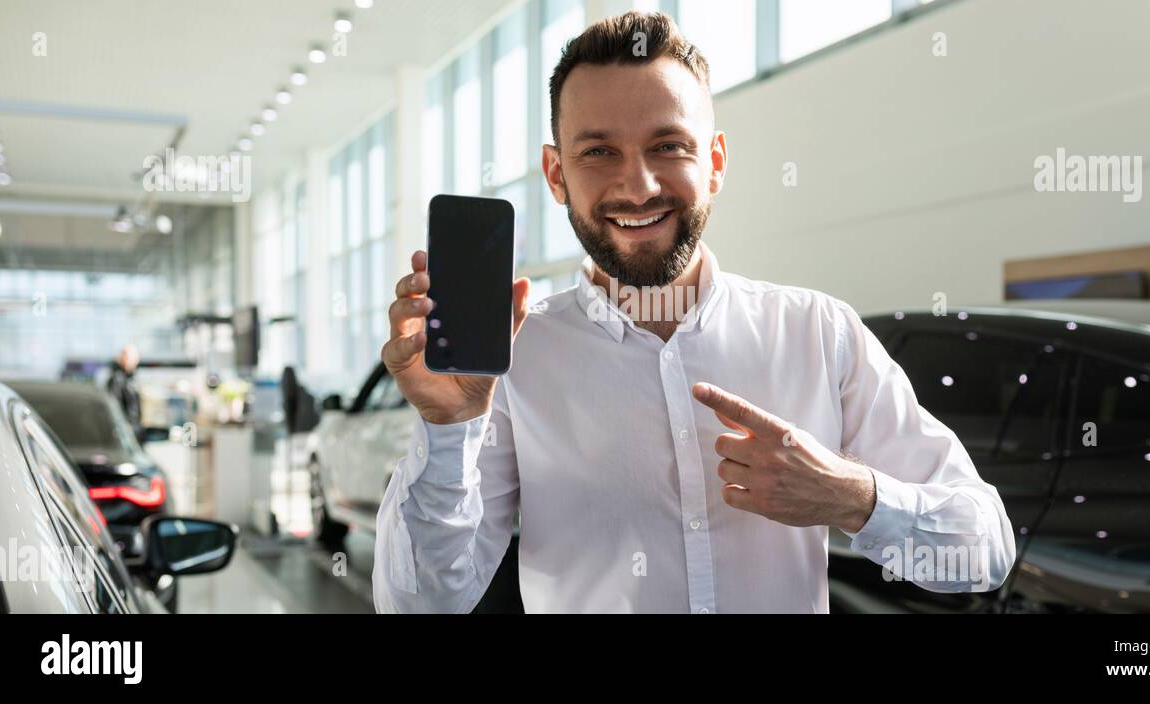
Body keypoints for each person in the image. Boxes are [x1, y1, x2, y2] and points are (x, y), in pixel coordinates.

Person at [373, 11, 1016, 613]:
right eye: (598, 152)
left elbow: (985, 554)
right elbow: (423, 603)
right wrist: (449, 428)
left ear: (713, 163)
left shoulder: (820, 333)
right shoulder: (512, 359)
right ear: (555, 173)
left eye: (669, 146)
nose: (639, 186)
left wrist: (853, 498)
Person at [107, 344, 142, 440]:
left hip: (131, 429)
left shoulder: (130, 379)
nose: (134, 362)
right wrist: (125, 425)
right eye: (130, 358)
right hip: (125, 431)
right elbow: (114, 403)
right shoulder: (117, 378)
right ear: (123, 358)